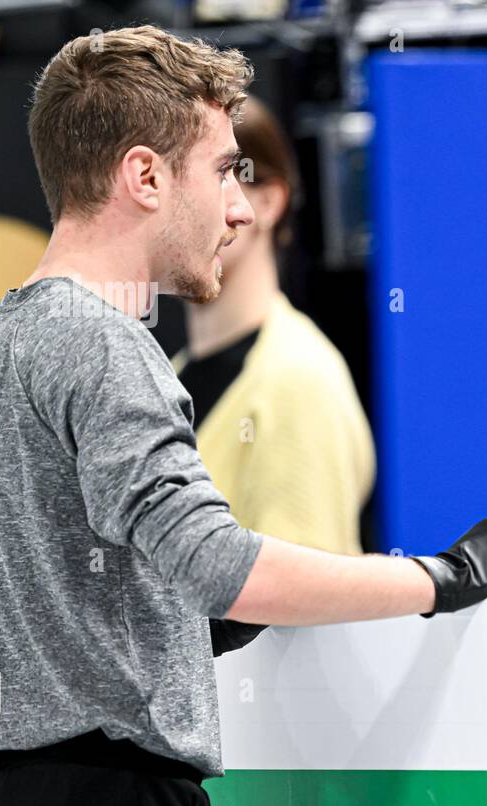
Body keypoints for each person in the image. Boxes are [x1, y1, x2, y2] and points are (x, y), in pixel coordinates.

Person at [0, 25, 487, 806]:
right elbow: (222, 565)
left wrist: (176, 625)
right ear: (144, 175)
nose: (238, 205)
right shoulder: (104, 342)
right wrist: (441, 577)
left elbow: (71, 599)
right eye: (223, 169)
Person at [173, 96, 374, 555]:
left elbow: (306, 603)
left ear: (266, 201)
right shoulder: (172, 373)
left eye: (214, 177)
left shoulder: (296, 379)